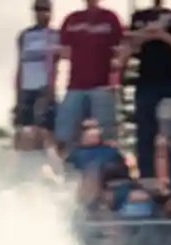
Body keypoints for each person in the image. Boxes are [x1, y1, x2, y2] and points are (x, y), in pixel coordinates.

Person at [125, 1, 171, 181]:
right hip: (145, 82)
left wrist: (161, 35)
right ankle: (148, 179)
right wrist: (147, 34)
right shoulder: (138, 17)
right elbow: (130, 43)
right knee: (145, 133)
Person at [55, 0, 125, 147]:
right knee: (65, 133)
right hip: (75, 85)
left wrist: (117, 79)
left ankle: (107, 166)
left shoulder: (110, 18)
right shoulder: (72, 19)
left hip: (102, 86)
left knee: (106, 135)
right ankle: (69, 167)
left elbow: (121, 48)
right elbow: (62, 51)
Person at [14, 1, 61, 150]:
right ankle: (21, 161)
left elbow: (57, 62)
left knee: (46, 128)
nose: (43, 14)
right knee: (23, 128)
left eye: (46, 10)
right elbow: (20, 62)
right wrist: (18, 89)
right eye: (39, 10)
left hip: (45, 87)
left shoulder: (56, 35)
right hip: (26, 87)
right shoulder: (25, 35)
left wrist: (51, 88)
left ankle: (49, 162)